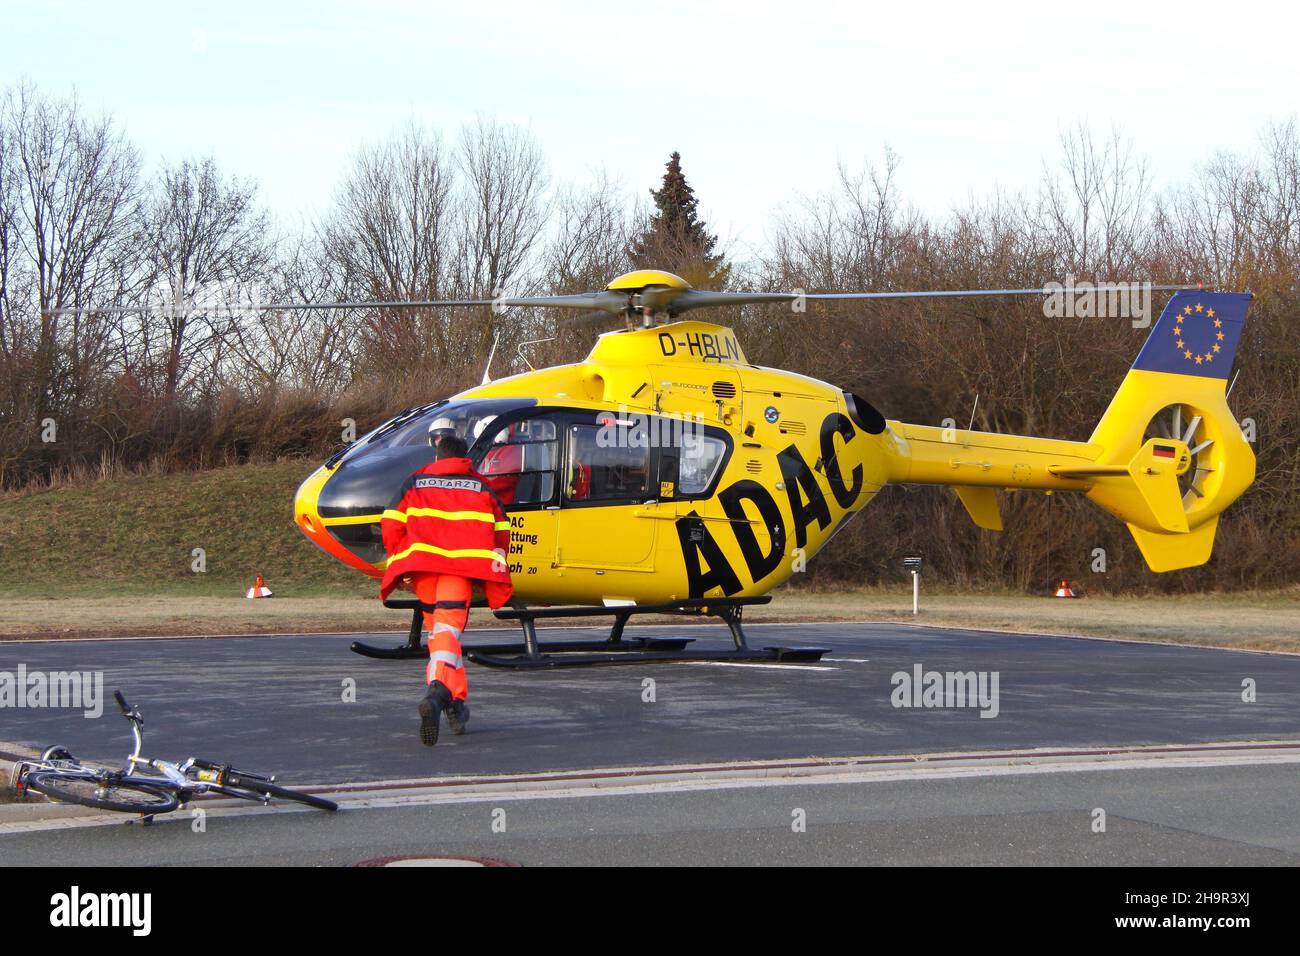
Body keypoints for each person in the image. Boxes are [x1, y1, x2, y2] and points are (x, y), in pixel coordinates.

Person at [380, 433, 513, 746]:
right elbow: (503, 530)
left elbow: (390, 524)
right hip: (460, 571)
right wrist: (495, 564)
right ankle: (438, 692)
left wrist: (402, 562)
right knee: (447, 635)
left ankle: (456, 704)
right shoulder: (481, 485)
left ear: (437, 457)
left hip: (424, 572)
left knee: (440, 639)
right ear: (465, 457)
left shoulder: (415, 481)